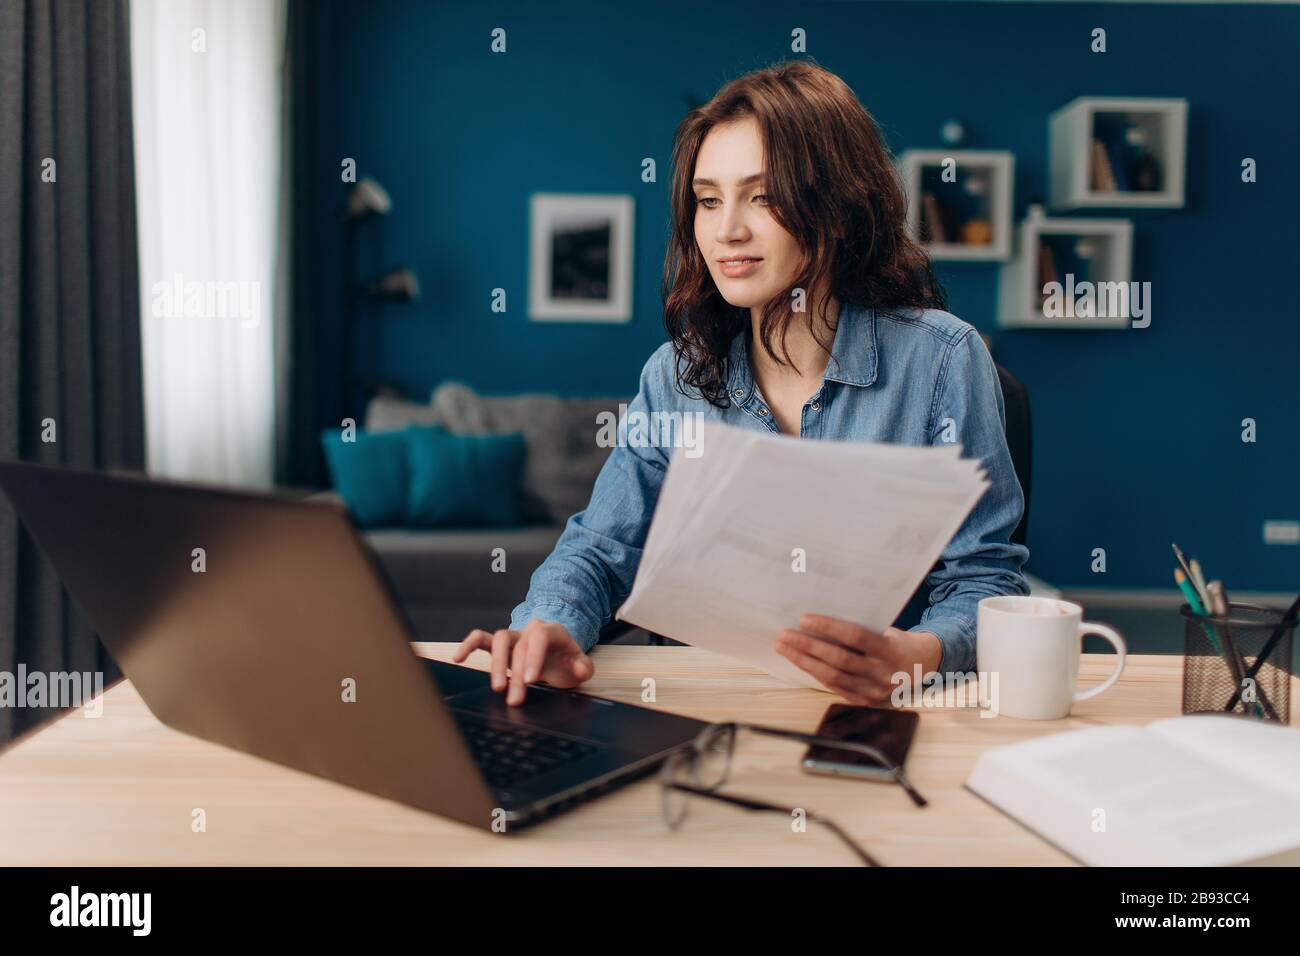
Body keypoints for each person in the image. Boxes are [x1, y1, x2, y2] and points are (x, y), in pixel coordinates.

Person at [455, 60, 1029, 705]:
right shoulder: (674, 375)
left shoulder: (944, 360)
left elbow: (984, 583)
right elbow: (601, 546)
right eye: (707, 200)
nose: (726, 230)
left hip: (869, 717)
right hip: (702, 707)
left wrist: (915, 656)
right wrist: (547, 627)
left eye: (762, 196)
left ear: (837, 208)